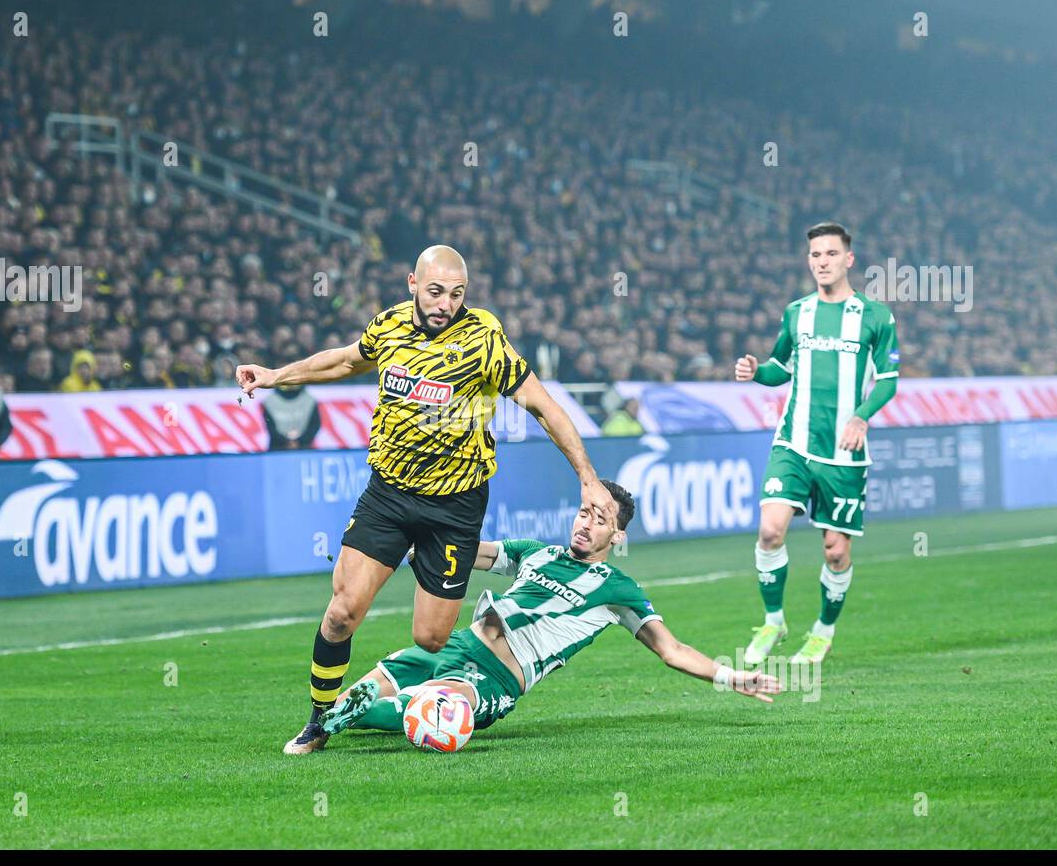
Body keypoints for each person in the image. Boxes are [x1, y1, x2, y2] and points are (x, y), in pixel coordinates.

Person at [236, 245, 618, 754]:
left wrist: (587, 476)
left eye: (457, 294)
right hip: (389, 494)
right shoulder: (389, 326)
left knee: (432, 639)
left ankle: (428, 675)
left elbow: (543, 406)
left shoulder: (484, 339)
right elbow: (346, 361)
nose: (445, 304)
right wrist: (275, 375)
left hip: (454, 508)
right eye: (436, 291)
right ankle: (320, 719)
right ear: (412, 282)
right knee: (341, 612)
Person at [318, 480, 781, 749]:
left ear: (617, 537)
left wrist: (730, 676)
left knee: (440, 719)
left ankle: (353, 715)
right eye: (584, 512)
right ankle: (338, 715)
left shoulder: (618, 590)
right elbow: (468, 553)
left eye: (601, 520)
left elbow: (671, 649)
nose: (587, 523)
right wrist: (418, 539)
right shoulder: (536, 553)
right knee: (374, 684)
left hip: (497, 678)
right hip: (458, 643)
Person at [734, 222, 899, 665]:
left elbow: (889, 381)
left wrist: (862, 416)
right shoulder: (797, 313)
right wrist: (756, 371)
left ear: (848, 259)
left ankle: (823, 632)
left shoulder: (876, 317)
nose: (821, 262)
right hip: (793, 443)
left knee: (836, 550)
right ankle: (773, 622)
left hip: (844, 455)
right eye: (814, 255)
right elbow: (779, 367)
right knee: (770, 531)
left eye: (830, 254)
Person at [261, 384, 321, 450]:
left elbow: (315, 425)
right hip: (278, 449)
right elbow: (270, 428)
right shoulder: (269, 401)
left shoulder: (310, 400)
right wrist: (290, 442)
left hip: (304, 448)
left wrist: (299, 441)